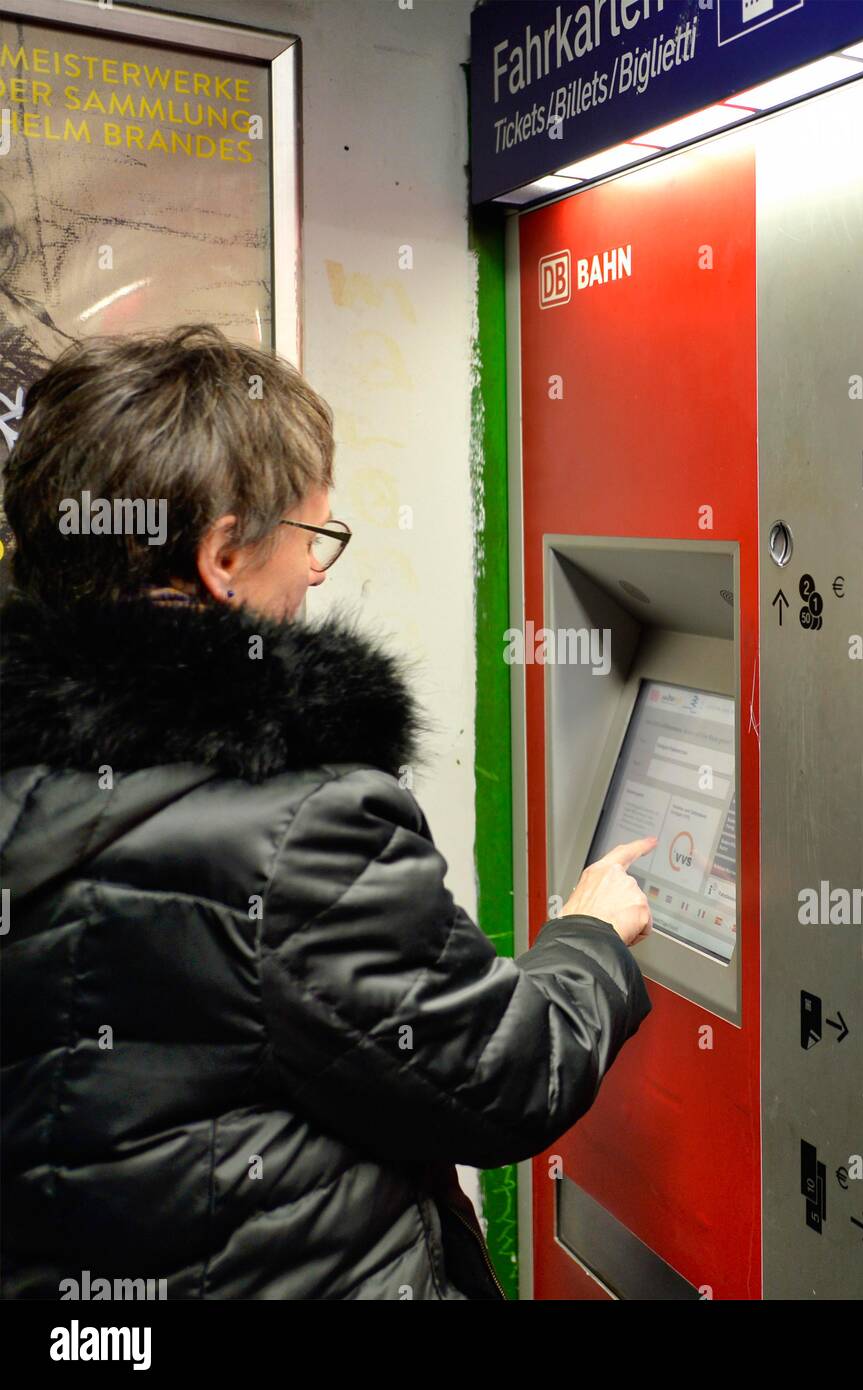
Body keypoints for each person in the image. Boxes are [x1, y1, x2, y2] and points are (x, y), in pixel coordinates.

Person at [0, 323, 654, 1300]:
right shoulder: (298, 826)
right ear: (223, 556)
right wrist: (590, 937)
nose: (316, 570)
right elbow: (498, 1076)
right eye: (312, 536)